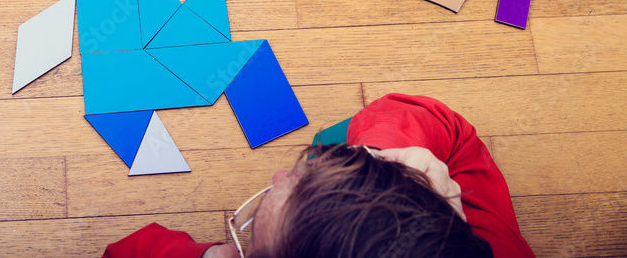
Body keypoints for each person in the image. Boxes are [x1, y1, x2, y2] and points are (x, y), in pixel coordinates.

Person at [104, 94, 535, 257]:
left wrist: (208, 257)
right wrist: (382, 148)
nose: (275, 176)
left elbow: (124, 253)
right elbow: (450, 130)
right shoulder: (493, 243)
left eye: (250, 235)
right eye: (303, 175)